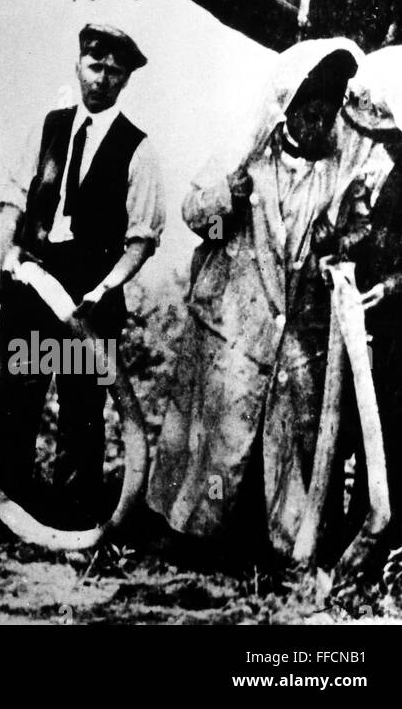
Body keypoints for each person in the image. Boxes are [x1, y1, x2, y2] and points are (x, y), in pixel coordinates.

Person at [147, 39, 362, 559]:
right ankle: (194, 539)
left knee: (288, 444)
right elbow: (198, 218)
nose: (319, 118)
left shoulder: (342, 170)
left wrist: (344, 239)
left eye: (329, 106)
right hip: (233, 328)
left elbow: (353, 237)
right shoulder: (247, 155)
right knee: (220, 438)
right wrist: (229, 194)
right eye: (310, 104)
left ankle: (281, 546)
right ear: (288, 104)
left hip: (298, 337)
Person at [0, 23, 164, 526]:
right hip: (32, 282)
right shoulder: (48, 128)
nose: (102, 79)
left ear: (126, 80)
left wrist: (106, 287)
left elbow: (142, 239)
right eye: (95, 66)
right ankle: (8, 508)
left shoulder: (139, 149)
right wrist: (8, 257)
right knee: (14, 395)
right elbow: (13, 198)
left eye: (115, 71)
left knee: (81, 407)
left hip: (91, 294)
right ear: (79, 66)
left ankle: (75, 519)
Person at [327, 45, 402, 565]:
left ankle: (399, 547)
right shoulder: (399, 176)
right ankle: (372, 533)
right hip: (392, 334)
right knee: (377, 436)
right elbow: (380, 237)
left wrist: (397, 285)